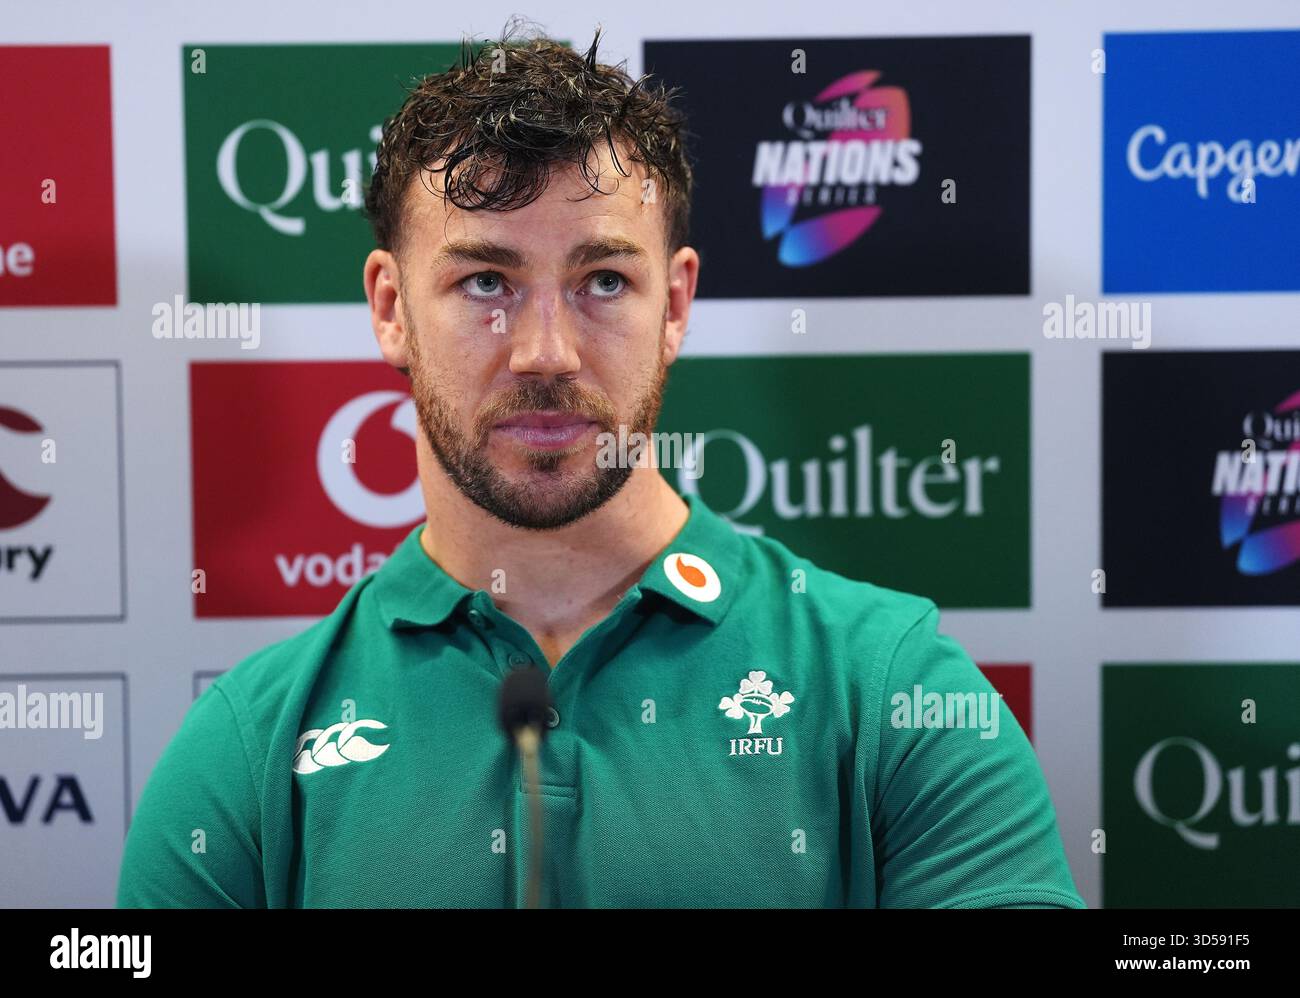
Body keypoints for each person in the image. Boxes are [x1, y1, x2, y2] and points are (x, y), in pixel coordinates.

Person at [118, 22, 1084, 908]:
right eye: (485, 281)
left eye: (604, 281)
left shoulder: (889, 684)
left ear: (675, 305)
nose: (545, 352)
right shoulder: (250, 751)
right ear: (390, 308)